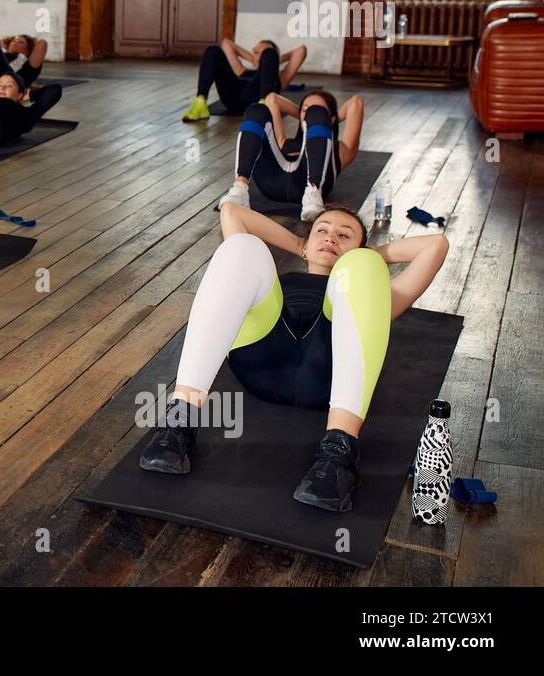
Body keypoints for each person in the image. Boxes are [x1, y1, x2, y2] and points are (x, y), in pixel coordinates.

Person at [138, 201, 449, 512]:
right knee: (243, 247)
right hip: (262, 358)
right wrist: (302, 246)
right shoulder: (273, 283)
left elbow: (435, 245)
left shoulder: (371, 291)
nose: (331, 239)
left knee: (365, 267)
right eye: (322, 231)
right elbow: (232, 211)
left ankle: (339, 453)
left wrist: (361, 256)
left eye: (344, 235)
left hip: (329, 375)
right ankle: (177, 424)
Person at [219, 89, 365, 221]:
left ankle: (313, 192)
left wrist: (325, 119)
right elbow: (273, 99)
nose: (308, 114)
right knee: (256, 110)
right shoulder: (283, 141)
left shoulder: (340, 150)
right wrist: (305, 116)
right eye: (304, 110)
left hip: (307, 189)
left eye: (312, 113)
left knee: (317, 112)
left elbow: (355, 103)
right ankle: (240, 188)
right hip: (272, 182)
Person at [182, 38, 307, 122]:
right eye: (255, 52)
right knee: (213, 50)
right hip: (233, 96)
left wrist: (271, 57)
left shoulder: (280, 77)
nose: (259, 55)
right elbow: (226, 43)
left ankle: (264, 104)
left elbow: (301, 50)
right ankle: (200, 101)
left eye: (261, 53)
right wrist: (253, 58)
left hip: (257, 100)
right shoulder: (241, 70)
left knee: (270, 53)